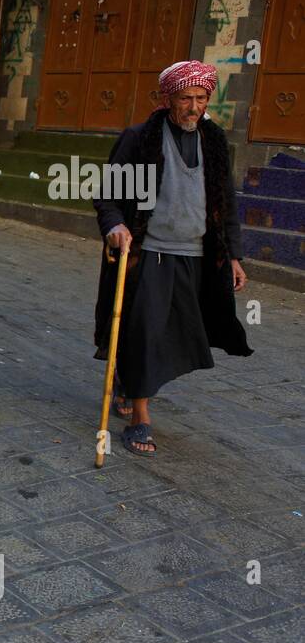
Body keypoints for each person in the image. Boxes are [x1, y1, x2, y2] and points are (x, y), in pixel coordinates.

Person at [93, 60, 251, 457]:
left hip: (196, 255)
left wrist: (233, 255)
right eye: (185, 98)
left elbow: (225, 203)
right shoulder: (140, 138)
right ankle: (140, 418)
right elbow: (107, 193)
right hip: (148, 253)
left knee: (173, 333)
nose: (193, 107)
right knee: (146, 329)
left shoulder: (213, 142)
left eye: (200, 98)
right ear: (168, 99)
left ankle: (130, 385)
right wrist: (115, 225)